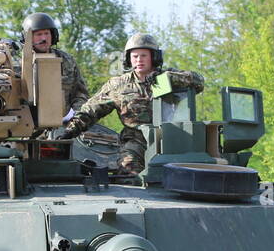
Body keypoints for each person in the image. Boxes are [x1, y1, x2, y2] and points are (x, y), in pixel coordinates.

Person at [53, 32, 203, 174]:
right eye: (135, 56)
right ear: (128, 59)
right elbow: (91, 110)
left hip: (169, 137)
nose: (139, 60)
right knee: (127, 168)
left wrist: (169, 79)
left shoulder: (166, 79)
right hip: (135, 139)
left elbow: (198, 82)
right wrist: (69, 132)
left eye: (144, 55)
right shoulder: (118, 85)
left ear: (154, 57)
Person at [22, 12, 89, 115]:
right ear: (28, 38)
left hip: (64, 124)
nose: (44, 38)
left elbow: (80, 94)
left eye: (46, 33)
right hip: (26, 126)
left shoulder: (67, 61)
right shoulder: (17, 64)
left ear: (53, 35)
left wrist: (75, 114)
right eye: (39, 34)